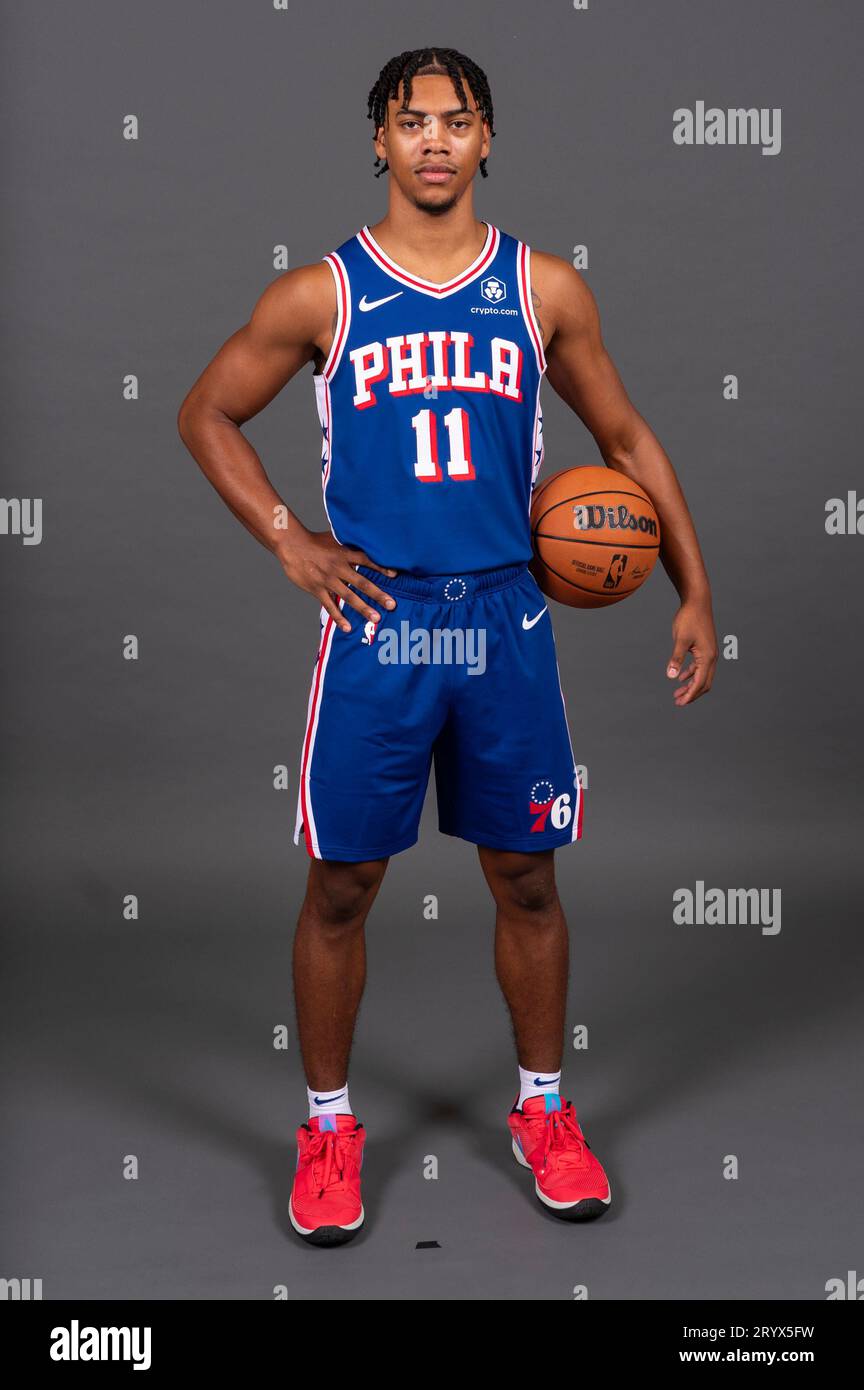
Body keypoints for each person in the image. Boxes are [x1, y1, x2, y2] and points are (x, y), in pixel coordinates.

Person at [177, 47, 718, 1247]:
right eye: (410, 121)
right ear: (378, 140)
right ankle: (327, 1126)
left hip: (507, 620)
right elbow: (204, 409)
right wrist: (289, 541)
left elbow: (626, 438)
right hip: (378, 627)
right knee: (343, 887)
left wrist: (695, 587)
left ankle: (544, 1111)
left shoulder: (544, 288)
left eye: (456, 121)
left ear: (487, 141)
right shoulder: (322, 294)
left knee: (529, 876)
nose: (433, 141)